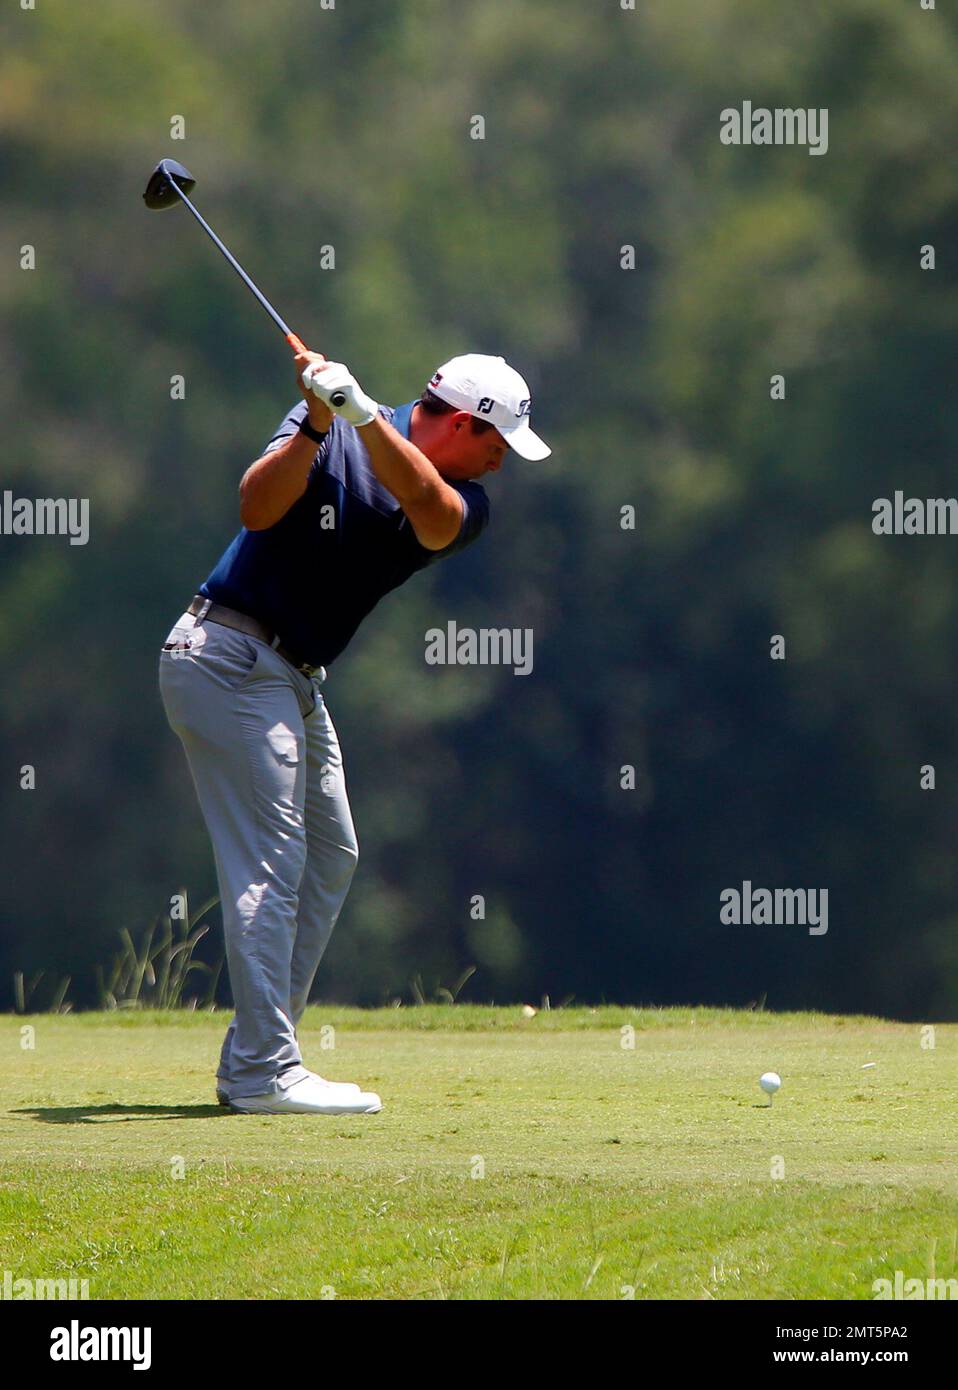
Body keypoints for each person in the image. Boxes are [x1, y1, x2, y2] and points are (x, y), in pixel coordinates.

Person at [158, 352, 551, 1115]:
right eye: (497, 444)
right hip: (228, 656)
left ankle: (257, 1058)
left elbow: (430, 514)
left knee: (332, 855)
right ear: (464, 423)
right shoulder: (325, 422)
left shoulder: (461, 498)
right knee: (273, 864)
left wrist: (362, 416)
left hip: (291, 678)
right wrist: (314, 420)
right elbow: (256, 508)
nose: (501, 464)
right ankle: (264, 1072)